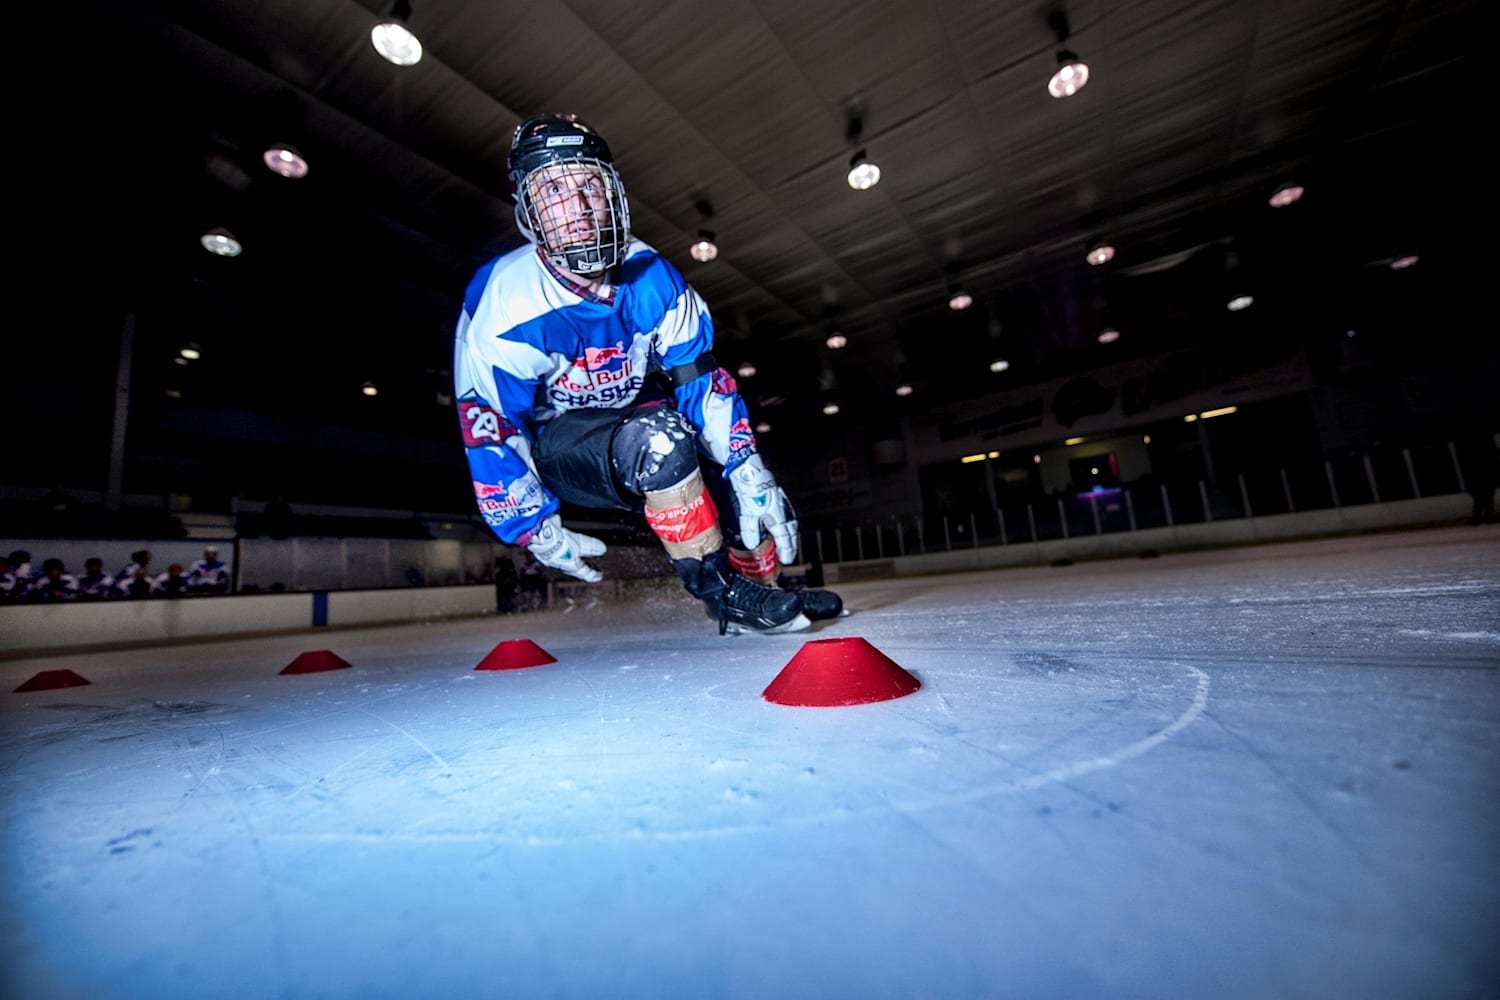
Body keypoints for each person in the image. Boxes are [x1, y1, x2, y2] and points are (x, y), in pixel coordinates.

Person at [453, 113, 842, 635]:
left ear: (613, 191)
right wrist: (532, 527)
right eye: (554, 191)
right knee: (660, 440)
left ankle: (764, 585)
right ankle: (720, 594)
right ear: (529, 210)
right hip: (560, 444)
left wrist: (747, 467)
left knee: (708, 447)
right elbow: (492, 425)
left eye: (590, 184)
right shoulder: (505, 304)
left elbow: (698, 380)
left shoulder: (654, 277)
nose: (580, 207)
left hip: (631, 411)